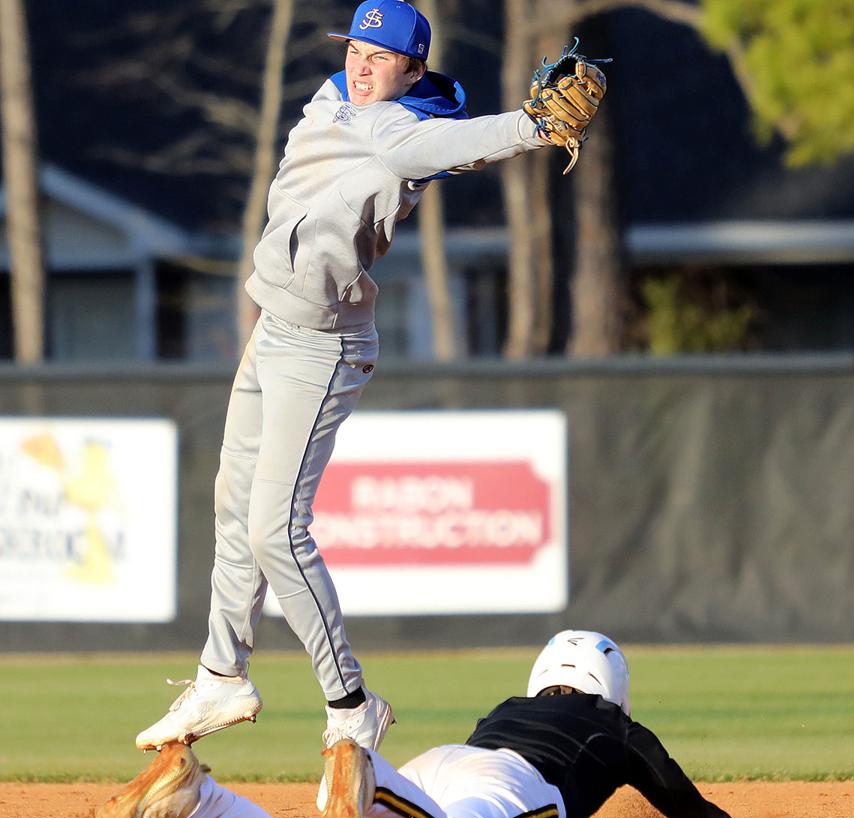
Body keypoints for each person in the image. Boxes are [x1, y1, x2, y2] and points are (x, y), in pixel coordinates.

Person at [136, 1, 595, 756]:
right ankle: (221, 673)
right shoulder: (337, 96)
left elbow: (449, 142)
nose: (360, 64)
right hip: (271, 326)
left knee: (276, 532)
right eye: (356, 48)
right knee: (232, 505)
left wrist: (532, 127)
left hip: (322, 346)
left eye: (379, 57)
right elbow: (417, 125)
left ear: (411, 68)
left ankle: (351, 704)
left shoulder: (397, 134)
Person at [90, 632, 756, 818]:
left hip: (447, 763)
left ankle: (195, 798)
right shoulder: (619, 727)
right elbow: (695, 813)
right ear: (611, 688)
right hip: (511, 789)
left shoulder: (507, 708)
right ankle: (372, 779)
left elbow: (465, 791)